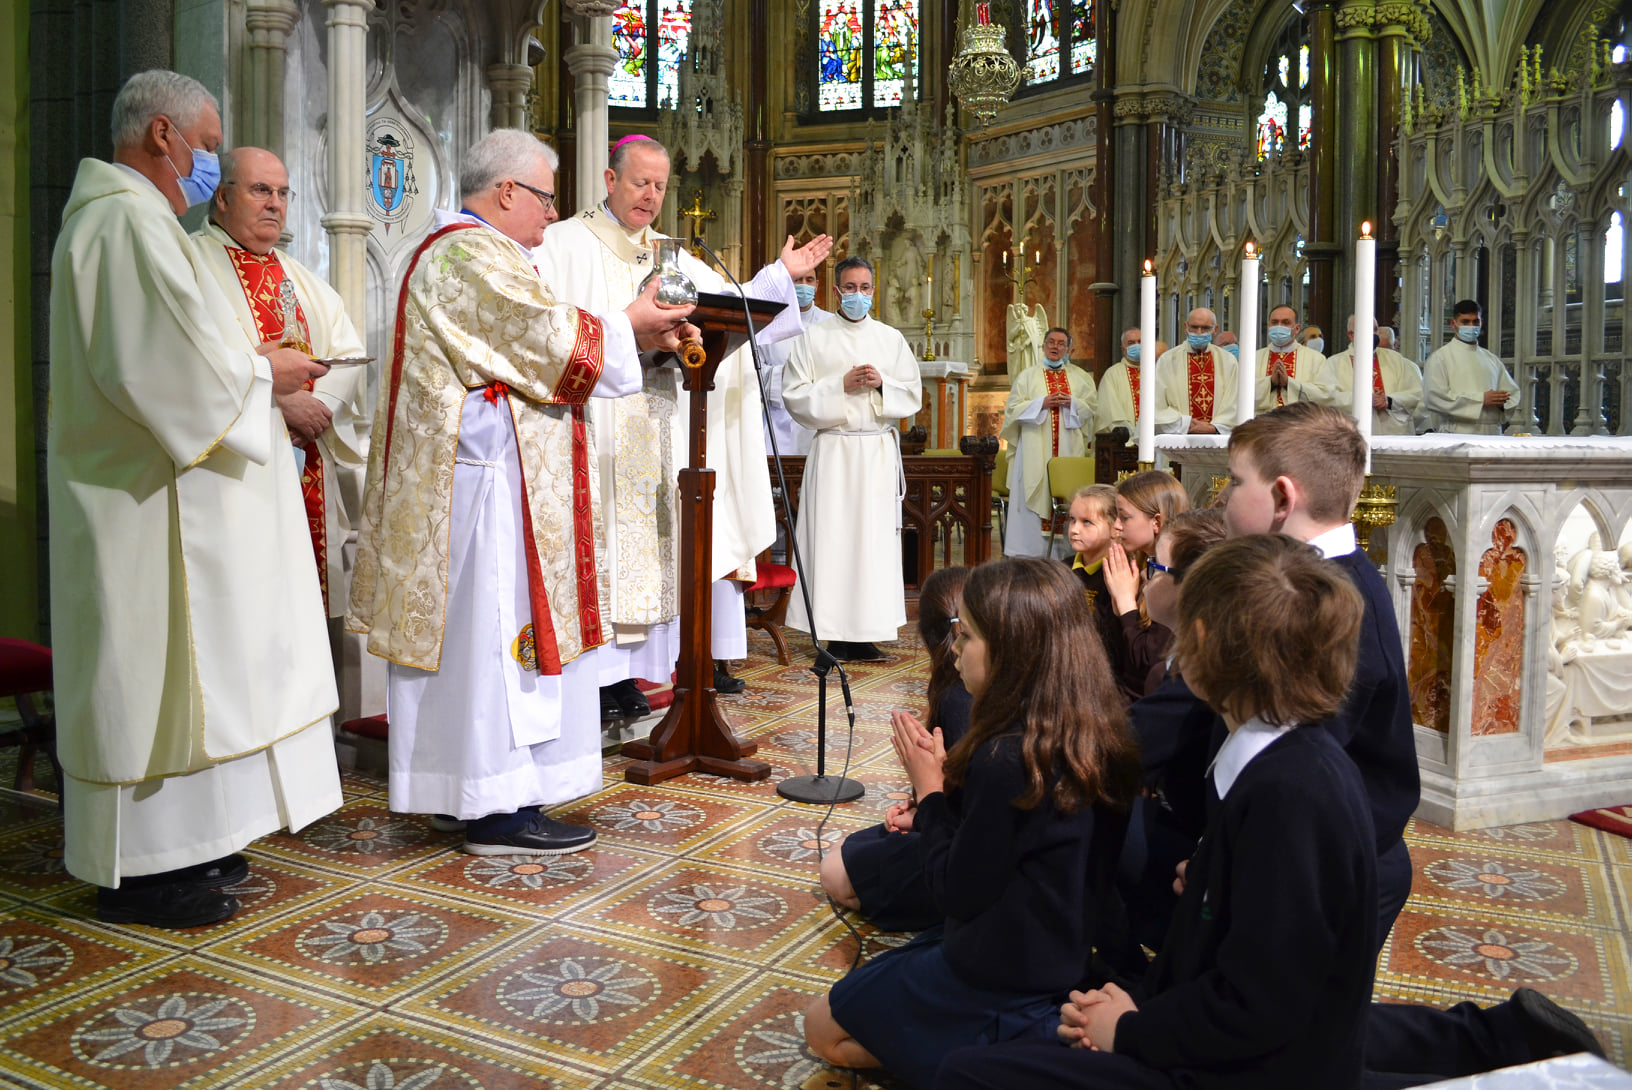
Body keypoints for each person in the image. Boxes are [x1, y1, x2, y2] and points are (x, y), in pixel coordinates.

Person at [347, 129, 698, 856]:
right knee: (494, 652)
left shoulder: (484, 252)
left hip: (489, 487)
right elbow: (545, 340)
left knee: (481, 655)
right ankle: (496, 808)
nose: (549, 213)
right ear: (506, 191)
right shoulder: (466, 253)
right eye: (542, 197)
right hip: (483, 500)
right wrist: (629, 326)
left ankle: (467, 793)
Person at [48, 70, 337, 927]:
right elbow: (160, 369)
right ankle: (141, 870)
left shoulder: (139, 224)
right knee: (149, 681)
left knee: (183, 680)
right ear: (165, 136)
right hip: (135, 505)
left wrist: (259, 377)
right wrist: (268, 374)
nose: (209, 162)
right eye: (209, 146)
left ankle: (188, 847)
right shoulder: (124, 223)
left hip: (155, 491)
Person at [937, 535, 1377, 1090]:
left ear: (1202, 641)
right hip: (1198, 1029)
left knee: (965, 1076)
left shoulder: (1292, 796)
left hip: (1242, 1072)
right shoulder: (1286, 763)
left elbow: (1260, 1007)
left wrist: (1129, 1028)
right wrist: (1136, 1001)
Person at [806, 558, 1142, 1089]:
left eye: (966, 637)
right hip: (1061, 954)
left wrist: (930, 791)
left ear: (1012, 651)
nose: (954, 651)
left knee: (822, 1030)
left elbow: (953, 891)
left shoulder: (1010, 757)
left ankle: (1012, 1055)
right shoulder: (1099, 732)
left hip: (996, 971)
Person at [533, 134, 831, 706]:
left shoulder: (672, 257)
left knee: (649, 558)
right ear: (609, 179)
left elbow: (731, 304)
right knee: (602, 553)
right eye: (641, 182)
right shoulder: (563, 245)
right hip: (595, 431)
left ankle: (627, 677)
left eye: (661, 186)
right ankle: (593, 679)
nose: (651, 195)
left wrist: (780, 275)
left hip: (659, 425)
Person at [1220, 402, 1417, 946]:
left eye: (1235, 483)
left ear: (1283, 497)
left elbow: (1294, 760)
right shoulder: (1301, 582)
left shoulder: (1332, 603)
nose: (1223, 498)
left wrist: (1225, 861)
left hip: (1332, 865)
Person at [192, 147, 367, 618]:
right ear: (223, 197)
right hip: (235, 467)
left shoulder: (302, 279)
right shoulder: (189, 266)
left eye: (283, 193)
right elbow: (190, 362)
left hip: (306, 452)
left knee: (302, 613)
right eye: (260, 190)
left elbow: (348, 353)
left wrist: (318, 409)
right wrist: (277, 405)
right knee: (246, 612)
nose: (275, 203)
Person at [783, 255, 923, 661]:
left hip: (876, 452)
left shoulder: (890, 338)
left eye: (864, 288)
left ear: (874, 291)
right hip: (834, 450)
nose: (857, 295)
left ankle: (867, 632)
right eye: (850, 288)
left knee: (872, 544)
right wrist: (839, 386)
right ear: (836, 290)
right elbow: (794, 396)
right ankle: (830, 632)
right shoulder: (814, 338)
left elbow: (911, 392)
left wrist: (883, 385)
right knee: (832, 541)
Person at [818, 567, 973, 930]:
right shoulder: (956, 691)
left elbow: (970, 816)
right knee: (845, 845)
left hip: (965, 858)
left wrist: (925, 802)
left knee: (834, 871)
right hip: (949, 825)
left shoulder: (957, 699)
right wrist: (919, 805)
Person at [1001, 326, 1098, 558]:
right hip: (1035, 448)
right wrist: (1041, 404)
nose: (1055, 347)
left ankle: (1065, 553)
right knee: (1033, 490)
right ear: (1043, 346)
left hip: (1069, 447)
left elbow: (1092, 408)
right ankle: (1029, 551)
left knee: (1067, 494)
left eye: (1061, 343)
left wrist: (1072, 403)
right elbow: (1012, 410)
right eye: (1051, 342)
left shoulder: (1081, 378)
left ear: (1069, 349)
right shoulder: (1027, 376)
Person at [1102, 470, 1192, 699]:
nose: (1117, 527)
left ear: (1157, 521)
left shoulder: (1173, 576)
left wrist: (1125, 604)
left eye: (1125, 517)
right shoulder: (1138, 562)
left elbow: (1148, 664)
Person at [1065, 485, 1144, 704]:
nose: (1074, 529)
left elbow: (1118, 640)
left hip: (1104, 679)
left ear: (1115, 528)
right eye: (1072, 520)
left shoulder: (1121, 575)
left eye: (1086, 522)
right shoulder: (1063, 569)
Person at [762, 268, 834, 456]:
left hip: (820, 422)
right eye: (797, 280)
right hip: (778, 424)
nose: (804, 285)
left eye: (809, 280)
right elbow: (752, 372)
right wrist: (785, 373)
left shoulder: (832, 324)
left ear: (817, 285)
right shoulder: (767, 324)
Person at [1422, 299, 1522, 434]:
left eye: (1476, 321)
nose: (1472, 326)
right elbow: (1434, 398)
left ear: (1481, 323)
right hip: (1458, 430)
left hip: (1491, 431)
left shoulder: (1491, 359)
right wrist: (1481, 399)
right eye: (1465, 322)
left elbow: (1512, 393)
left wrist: (1502, 404)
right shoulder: (1440, 358)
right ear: (1453, 324)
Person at [1327, 314, 1425, 435]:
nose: (1372, 334)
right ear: (1351, 335)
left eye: (1375, 329)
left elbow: (1416, 394)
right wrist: (1362, 399)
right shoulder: (1333, 363)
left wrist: (1390, 400)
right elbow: (1328, 398)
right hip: (1351, 436)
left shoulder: (1396, 360)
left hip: (1393, 436)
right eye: (1365, 329)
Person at [1154, 308, 1238, 435]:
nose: (1199, 333)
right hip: (1179, 439)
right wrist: (1186, 424)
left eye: (1205, 328)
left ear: (1215, 330)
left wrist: (1214, 427)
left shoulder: (1228, 361)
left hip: (1217, 441)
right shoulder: (1167, 360)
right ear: (1185, 327)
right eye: (1194, 327)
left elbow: (1235, 402)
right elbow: (1157, 405)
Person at [1255, 304, 1333, 411]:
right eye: (1274, 322)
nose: (1279, 326)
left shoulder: (1316, 359)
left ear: (1297, 329)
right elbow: (1240, 393)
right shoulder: (1254, 358)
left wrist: (1289, 384)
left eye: (1285, 322)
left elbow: (1326, 394)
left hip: (1300, 423)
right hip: (1261, 422)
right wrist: (1271, 383)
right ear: (1269, 327)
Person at [1096, 328, 1144, 435]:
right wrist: (1133, 434)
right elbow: (1110, 411)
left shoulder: (1155, 372)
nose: (1137, 345)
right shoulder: (1112, 374)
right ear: (1123, 349)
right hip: (1124, 442)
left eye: (1140, 342)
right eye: (1131, 343)